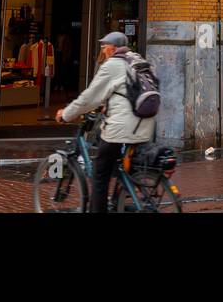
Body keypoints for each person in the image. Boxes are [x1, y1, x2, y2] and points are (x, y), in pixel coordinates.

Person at [56, 32, 155, 213]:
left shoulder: (112, 65)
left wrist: (67, 114)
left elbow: (88, 98)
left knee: (100, 174)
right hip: (145, 125)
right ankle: (124, 197)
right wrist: (109, 105)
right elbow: (129, 91)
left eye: (104, 47)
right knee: (123, 166)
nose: (103, 51)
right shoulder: (138, 61)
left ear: (113, 48)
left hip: (121, 129)